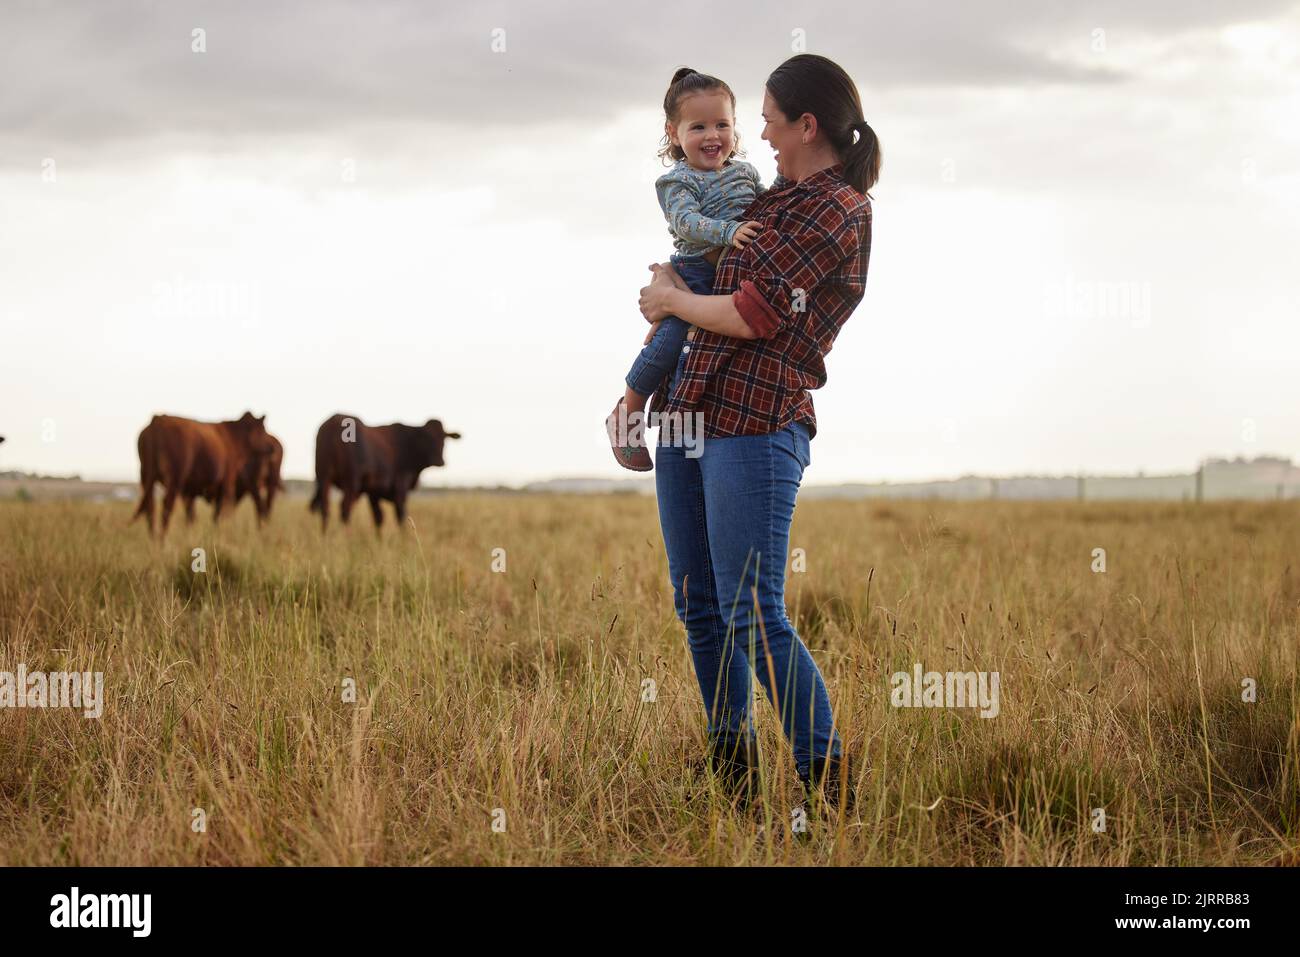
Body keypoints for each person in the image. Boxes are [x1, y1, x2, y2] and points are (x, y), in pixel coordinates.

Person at [637, 53, 881, 810]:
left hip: (756, 419)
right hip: (690, 411)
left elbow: (751, 313)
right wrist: (673, 295)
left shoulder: (835, 209)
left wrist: (674, 298)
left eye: (770, 120)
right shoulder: (774, 198)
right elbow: (706, 269)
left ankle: (826, 785)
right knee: (698, 603)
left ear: (808, 125)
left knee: (750, 611)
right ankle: (734, 777)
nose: (761, 135)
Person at [605, 67, 765, 471]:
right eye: (698, 127)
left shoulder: (745, 174)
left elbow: (768, 207)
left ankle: (681, 420)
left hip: (728, 275)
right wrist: (729, 231)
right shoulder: (677, 181)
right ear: (673, 133)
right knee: (673, 338)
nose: (712, 136)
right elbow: (685, 223)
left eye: (722, 124)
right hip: (694, 270)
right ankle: (628, 411)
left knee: (703, 346)